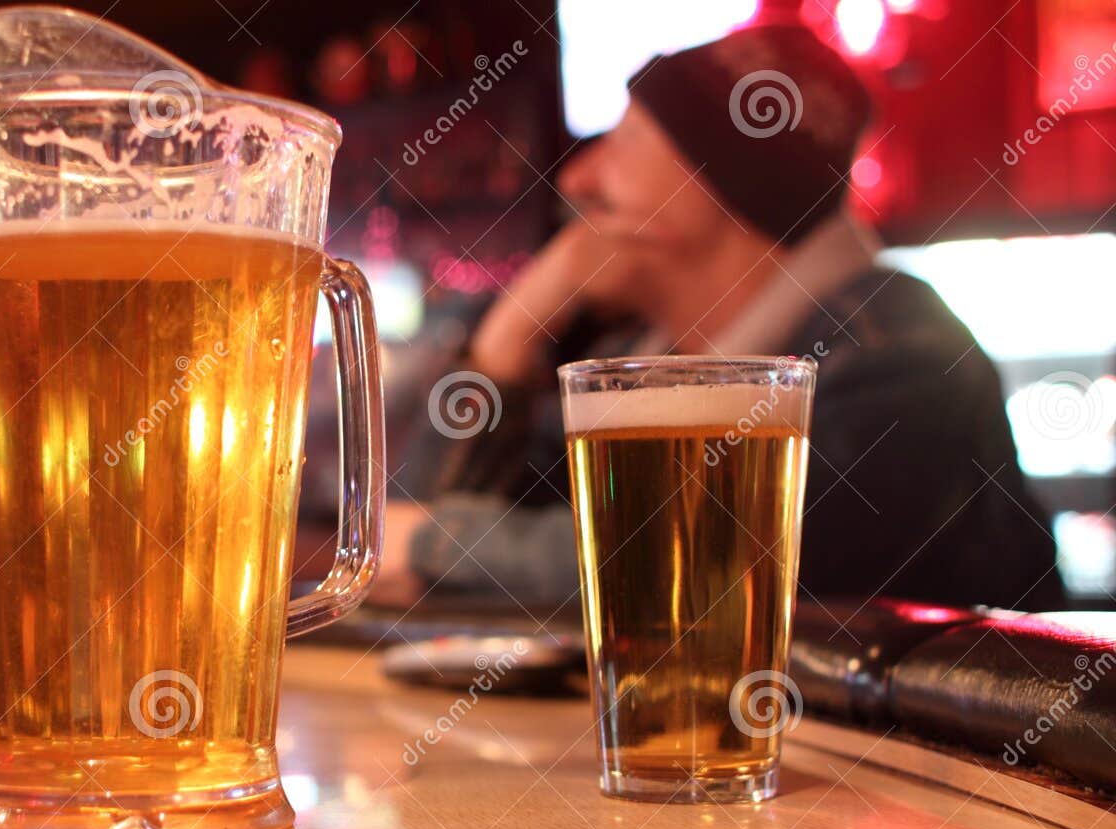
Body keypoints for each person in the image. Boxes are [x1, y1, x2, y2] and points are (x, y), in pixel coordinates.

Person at [379, 23, 1063, 614]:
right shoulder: (635, 359)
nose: (579, 179)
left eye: (624, 140)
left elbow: (696, 562)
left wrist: (434, 546)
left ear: (716, 186)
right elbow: (400, 566)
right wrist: (507, 340)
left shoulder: (899, 353)